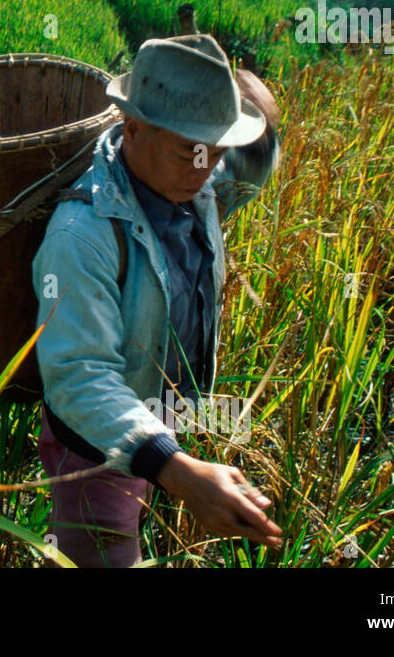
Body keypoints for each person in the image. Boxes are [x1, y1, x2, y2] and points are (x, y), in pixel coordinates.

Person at [32, 33, 284, 567]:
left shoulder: (197, 185)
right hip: (96, 451)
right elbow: (78, 374)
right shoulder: (81, 235)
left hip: (162, 426)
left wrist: (263, 131)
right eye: (190, 151)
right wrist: (175, 468)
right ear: (133, 127)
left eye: (215, 152)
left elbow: (243, 173)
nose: (203, 168)